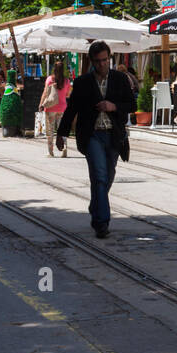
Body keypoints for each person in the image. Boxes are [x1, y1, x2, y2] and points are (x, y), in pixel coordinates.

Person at [56, 42, 135, 238]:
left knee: (107, 177)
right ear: (92, 61)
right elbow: (71, 108)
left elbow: (132, 104)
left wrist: (113, 106)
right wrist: (61, 133)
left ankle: (95, 205)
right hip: (92, 135)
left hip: (114, 135)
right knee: (99, 176)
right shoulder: (83, 82)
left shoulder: (119, 79)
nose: (102, 64)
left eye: (105, 60)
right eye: (98, 61)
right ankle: (101, 222)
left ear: (110, 58)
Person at [38, 59, 73, 158]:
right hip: (62, 108)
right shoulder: (66, 81)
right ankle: (64, 149)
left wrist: (41, 104)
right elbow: (68, 94)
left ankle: (50, 152)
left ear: (54, 69)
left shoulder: (49, 79)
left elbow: (45, 93)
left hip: (50, 108)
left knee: (50, 131)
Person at [0, 71, 24, 137]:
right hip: (14, 120)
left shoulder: (9, 88)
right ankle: (16, 131)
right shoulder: (13, 89)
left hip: (6, 121)